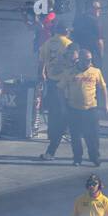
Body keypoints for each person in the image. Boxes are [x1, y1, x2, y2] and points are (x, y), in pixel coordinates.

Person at [63, 48, 108, 167]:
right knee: (75, 135)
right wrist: (64, 103)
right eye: (86, 60)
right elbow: (61, 87)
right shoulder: (69, 72)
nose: (89, 62)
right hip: (74, 109)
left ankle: (94, 157)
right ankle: (77, 158)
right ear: (80, 60)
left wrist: (106, 104)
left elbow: (103, 87)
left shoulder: (96, 71)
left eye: (90, 60)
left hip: (91, 109)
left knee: (92, 135)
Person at [37, 24, 74, 161]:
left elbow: (41, 60)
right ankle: (63, 131)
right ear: (66, 31)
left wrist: (42, 73)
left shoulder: (47, 42)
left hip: (51, 80)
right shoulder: (68, 43)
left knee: (52, 110)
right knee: (63, 110)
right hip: (63, 82)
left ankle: (52, 133)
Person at [72, 0, 103, 68]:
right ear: (90, 8)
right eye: (97, 8)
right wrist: (100, 55)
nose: (99, 10)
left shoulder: (78, 18)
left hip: (80, 55)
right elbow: (100, 41)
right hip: (93, 56)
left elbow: (73, 35)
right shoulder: (96, 22)